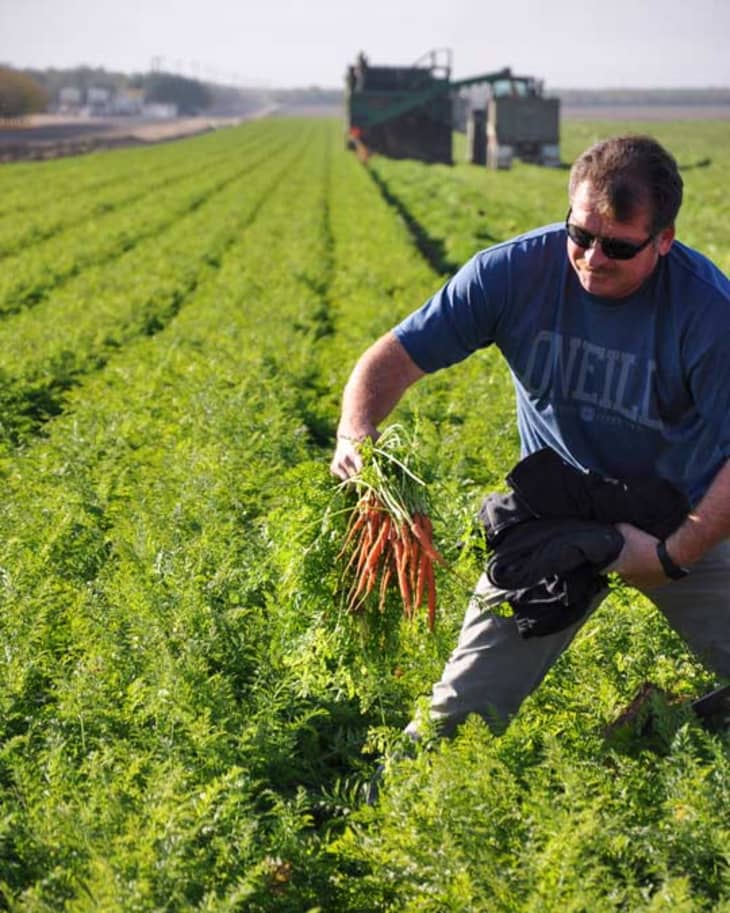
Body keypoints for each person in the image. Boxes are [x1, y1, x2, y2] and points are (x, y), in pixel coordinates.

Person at [330, 134, 730, 738]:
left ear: (664, 240)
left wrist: (673, 555)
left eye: (619, 247)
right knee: (457, 722)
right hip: (558, 515)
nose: (592, 258)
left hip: (682, 513)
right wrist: (355, 432)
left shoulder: (708, 312)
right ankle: (413, 778)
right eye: (581, 234)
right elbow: (394, 358)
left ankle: (672, 733)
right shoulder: (513, 273)